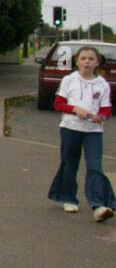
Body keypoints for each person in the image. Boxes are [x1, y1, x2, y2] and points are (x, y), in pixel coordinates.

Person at [47, 44, 114, 221]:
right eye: (83, 58)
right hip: (70, 128)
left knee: (95, 166)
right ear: (77, 61)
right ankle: (68, 198)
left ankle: (98, 204)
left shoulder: (102, 84)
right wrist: (75, 109)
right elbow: (58, 104)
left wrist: (101, 117)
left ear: (97, 63)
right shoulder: (70, 80)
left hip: (93, 131)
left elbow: (106, 109)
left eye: (91, 59)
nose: (87, 62)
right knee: (69, 163)